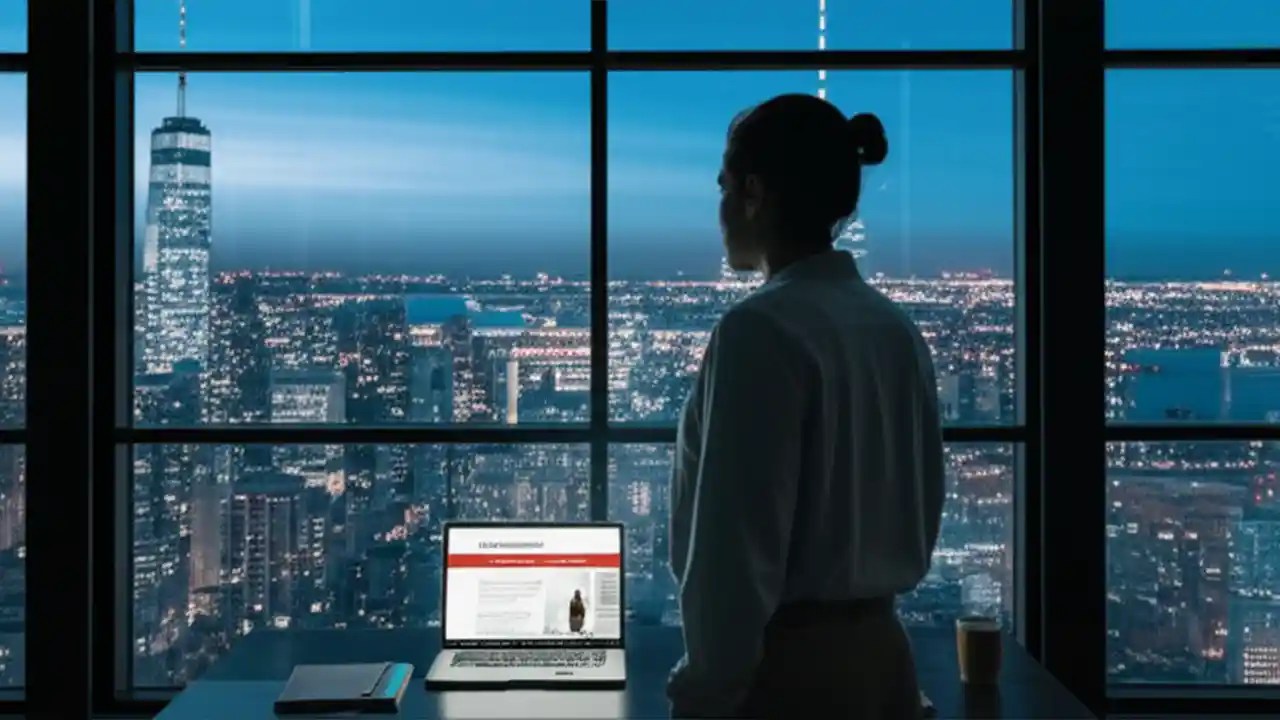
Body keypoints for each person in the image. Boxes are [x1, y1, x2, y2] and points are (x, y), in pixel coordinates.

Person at [666, 93, 945, 719]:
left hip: (786, 680)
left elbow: (732, 559)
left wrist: (704, 694)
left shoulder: (758, 332)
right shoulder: (895, 331)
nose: (719, 211)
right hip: (885, 671)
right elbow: (924, 507)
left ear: (754, 193)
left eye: (724, 188)